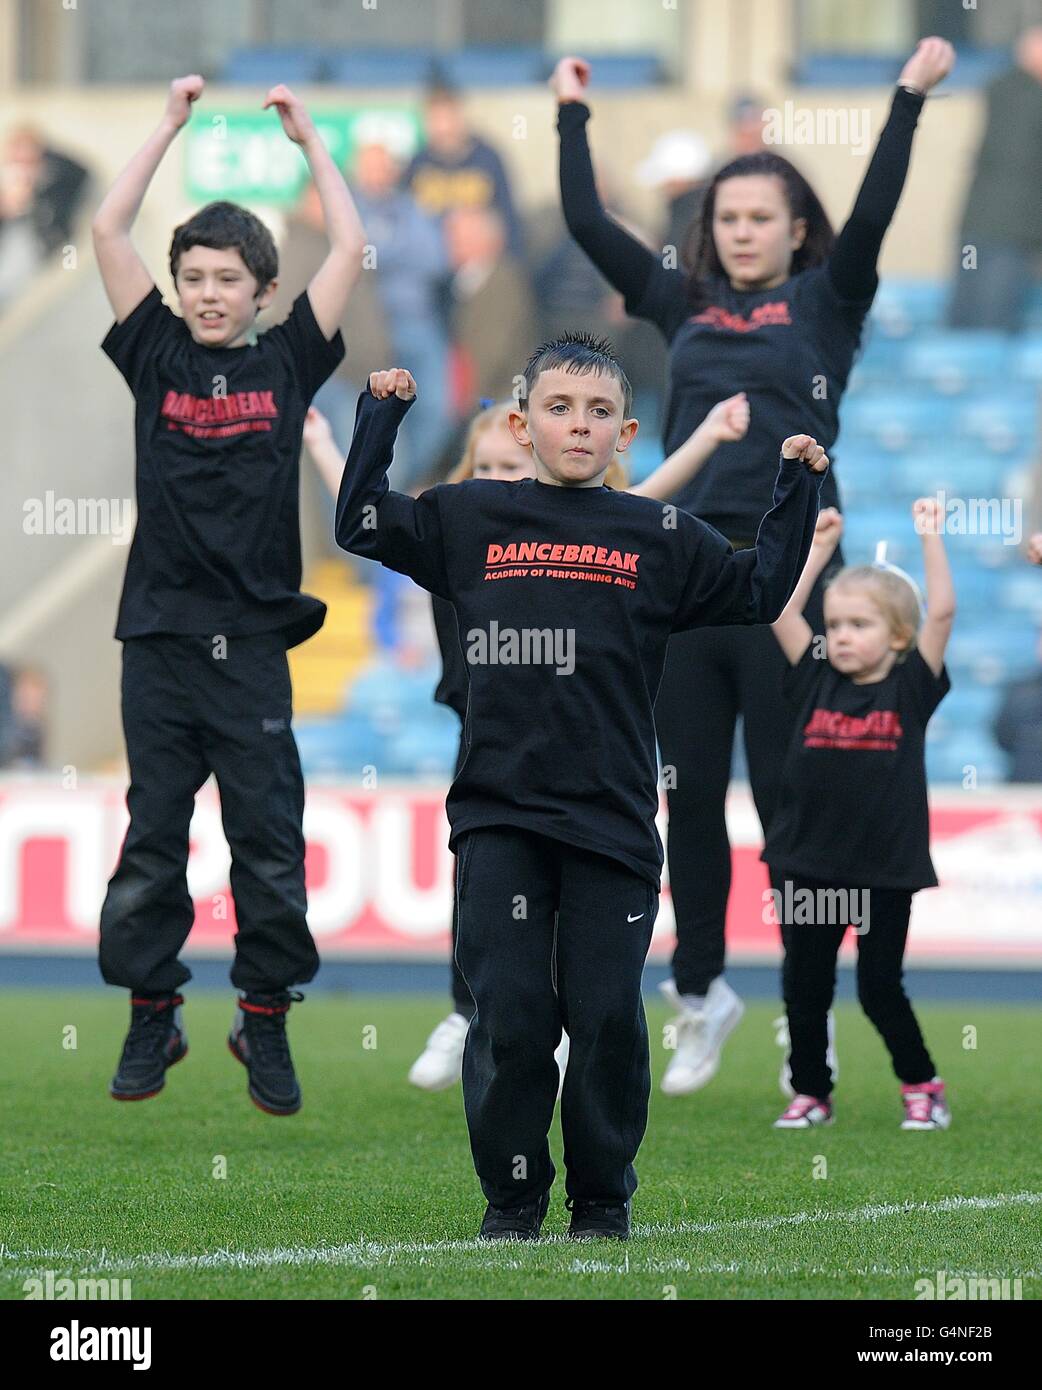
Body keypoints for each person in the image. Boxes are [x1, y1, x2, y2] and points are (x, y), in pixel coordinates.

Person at [334, 333, 827, 1240]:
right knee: (513, 1019)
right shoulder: (468, 515)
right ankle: (512, 1202)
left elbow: (759, 591)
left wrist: (796, 486)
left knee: (604, 1018)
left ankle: (602, 1201)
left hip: (612, 822)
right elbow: (359, 522)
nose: (578, 425)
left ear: (626, 434)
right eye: (558, 408)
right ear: (521, 424)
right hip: (498, 815)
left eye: (599, 412)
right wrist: (383, 415)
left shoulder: (660, 535)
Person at [550, 38, 955, 1096]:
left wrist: (905, 99)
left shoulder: (828, 302)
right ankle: (699, 993)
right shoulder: (682, 303)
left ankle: (799, 1015)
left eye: (760, 219)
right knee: (682, 798)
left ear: (794, 230)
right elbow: (589, 224)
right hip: (685, 580)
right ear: (709, 228)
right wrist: (569, 116)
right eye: (726, 218)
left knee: (792, 803)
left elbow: (872, 212)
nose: (740, 233)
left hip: (793, 579)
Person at [308, 388, 751, 1091]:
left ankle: (571, 1025)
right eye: (480, 463)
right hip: (485, 731)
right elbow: (362, 515)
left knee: (570, 902)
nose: (493, 474)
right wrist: (332, 444)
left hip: (584, 748)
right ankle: (473, 1011)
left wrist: (703, 438)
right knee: (489, 891)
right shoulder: (462, 525)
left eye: (506, 463)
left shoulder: (594, 526)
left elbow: (644, 508)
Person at [92, 75, 364, 1116]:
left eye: (229, 279)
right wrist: (168, 122)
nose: (209, 293)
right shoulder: (153, 349)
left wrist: (307, 142)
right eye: (193, 277)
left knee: (267, 835)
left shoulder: (290, 359)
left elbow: (344, 251)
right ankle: (151, 1011)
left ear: (260, 291)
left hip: (249, 644)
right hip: (157, 638)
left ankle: (265, 1019)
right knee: (154, 833)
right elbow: (110, 227)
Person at [764, 499, 954, 1131]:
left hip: (883, 868)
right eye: (837, 623)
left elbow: (944, 611)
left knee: (878, 987)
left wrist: (930, 537)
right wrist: (818, 550)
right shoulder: (814, 674)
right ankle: (811, 1091)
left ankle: (922, 1084)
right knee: (805, 985)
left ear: (898, 636)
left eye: (860, 625)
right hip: (806, 862)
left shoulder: (910, 685)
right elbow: (783, 611)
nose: (842, 635)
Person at [948, 26, 1042, 332]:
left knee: (967, 321)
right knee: (991, 328)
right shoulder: (1019, 96)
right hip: (1009, 232)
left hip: (981, 225)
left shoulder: (1000, 89)